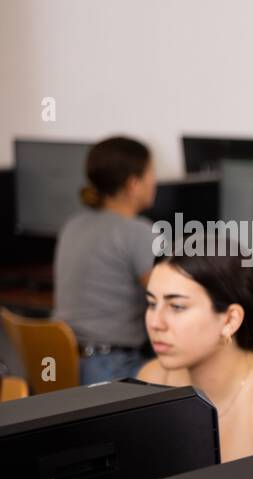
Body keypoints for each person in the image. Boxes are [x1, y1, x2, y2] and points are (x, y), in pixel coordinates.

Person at [137, 254, 253, 461]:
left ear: (230, 320)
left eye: (177, 307)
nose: (156, 322)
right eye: (151, 303)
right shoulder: (152, 378)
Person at [54, 136, 157, 384]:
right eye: (151, 173)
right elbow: (166, 293)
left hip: (65, 363)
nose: (155, 181)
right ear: (133, 184)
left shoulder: (73, 224)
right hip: (112, 367)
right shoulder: (138, 231)